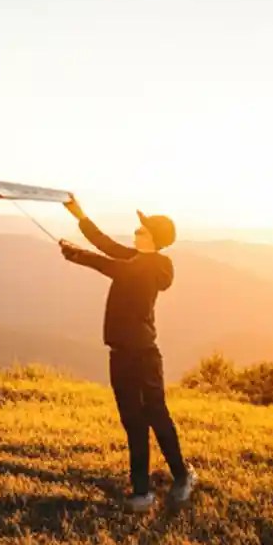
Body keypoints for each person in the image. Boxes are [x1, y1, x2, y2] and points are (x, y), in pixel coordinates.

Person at [59, 196, 197, 511]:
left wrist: (76, 254)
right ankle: (141, 492)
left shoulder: (155, 266)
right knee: (133, 420)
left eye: (142, 230)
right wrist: (79, 214)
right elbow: (104, 244)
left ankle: (183, 475)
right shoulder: (137, 259)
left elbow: (109, 265)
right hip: (121, 353)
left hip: (144, 355)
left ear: (155, 239)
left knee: (156, 415)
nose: (136, 232)